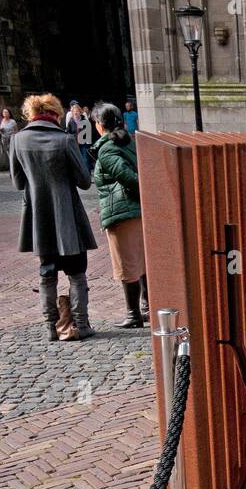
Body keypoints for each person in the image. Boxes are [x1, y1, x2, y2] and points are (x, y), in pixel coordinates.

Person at [9, 92, 97, 342]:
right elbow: (84, 181)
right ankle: (80, 324)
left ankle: (50, 327)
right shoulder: (65, 140)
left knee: (47, 273)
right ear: (56, 114)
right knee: (76, 273)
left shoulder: (18, 140)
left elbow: (18, 182)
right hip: (68, 215)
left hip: (39, 218)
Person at [91, 102, 148, 329]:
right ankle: (146, 307)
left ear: (99, 124)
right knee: (141, 261)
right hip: (138, 210)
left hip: (122, 213)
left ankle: (134, 314)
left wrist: (143, 191)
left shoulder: (107, 148)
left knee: (127, 264)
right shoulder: (130, 143)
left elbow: (129, 177)